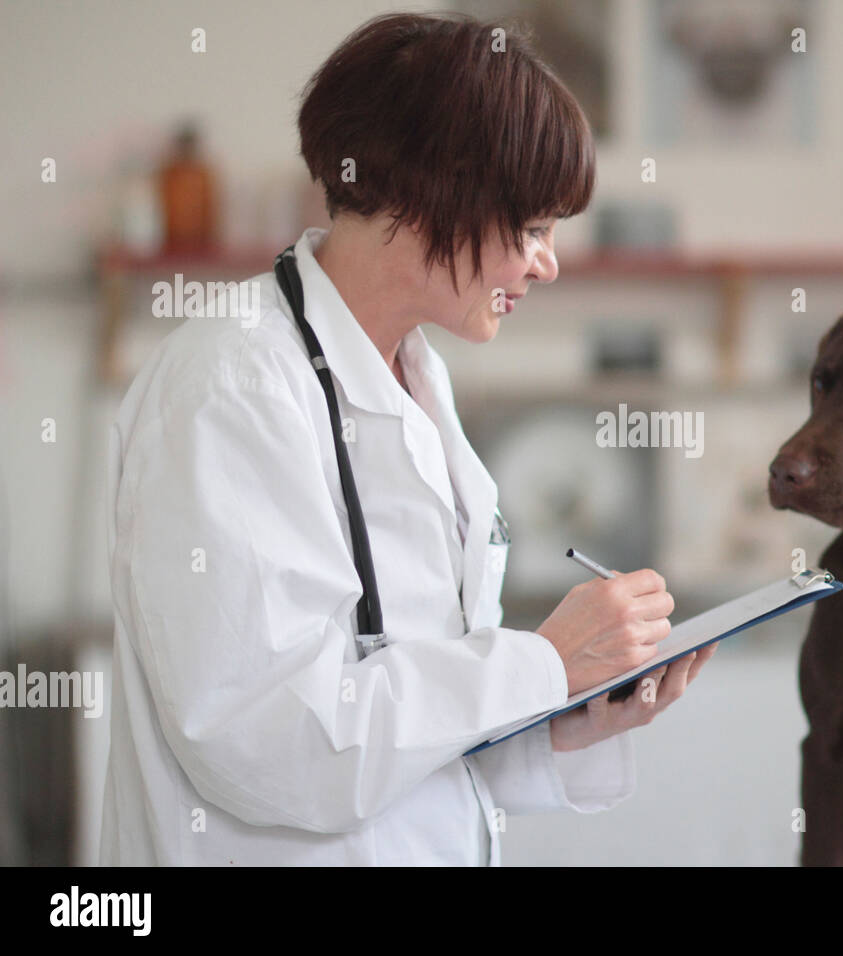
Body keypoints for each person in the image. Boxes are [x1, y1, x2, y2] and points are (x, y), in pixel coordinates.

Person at [100, 11, 715, 866]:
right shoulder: (230, 385)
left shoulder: (417, 379)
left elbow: (417, 736)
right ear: (439, 192)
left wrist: (569, 711)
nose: (548, 264)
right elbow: (268, 745)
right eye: (532, 230)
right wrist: (538, 664)